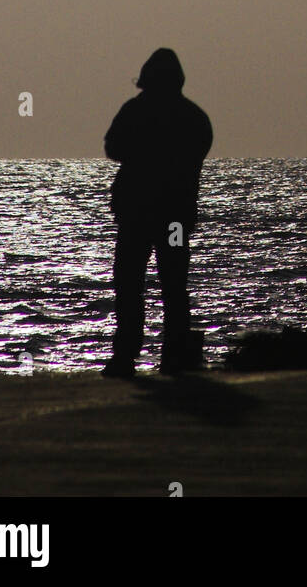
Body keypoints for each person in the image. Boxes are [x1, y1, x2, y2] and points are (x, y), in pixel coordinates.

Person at [102, 48, 212, 378]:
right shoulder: (194, 116)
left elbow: (112, 147)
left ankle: (125, 356)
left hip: (137, 213)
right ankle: (174, 356)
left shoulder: (135, 110)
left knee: (130, 283)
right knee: (174, 285)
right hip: (175, 214)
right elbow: (198, 153)